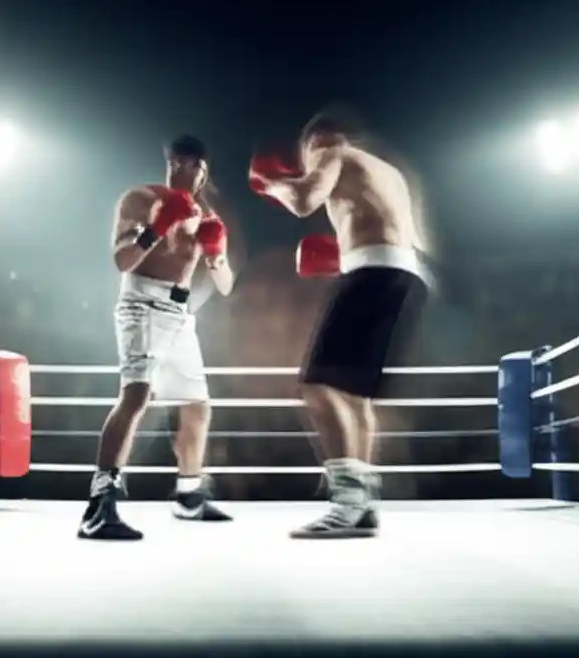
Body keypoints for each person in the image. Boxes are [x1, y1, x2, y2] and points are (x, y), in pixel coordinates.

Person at [249, 109, 432, 538]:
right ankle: (364, 504)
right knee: (356, 397)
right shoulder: (386, 172)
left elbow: (303, 201)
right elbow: (391, 233)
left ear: (316, 142)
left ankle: (345, 504)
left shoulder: (333, 153)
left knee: (318, 385)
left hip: (375, 274)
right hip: (405, 276)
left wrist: (273, 184)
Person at [79, 134, 236, 540]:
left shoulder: (205, 214)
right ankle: (100, 502)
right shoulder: (138, 198)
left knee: (197, 406)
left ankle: (189, 497)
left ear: (203, 172)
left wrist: (216, 255)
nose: (189, 172)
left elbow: (225, 286)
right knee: (136, 395)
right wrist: (157, 226)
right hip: (142, 302)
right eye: (181, 162)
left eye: (197, 166)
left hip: (180, 314)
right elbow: (122, 260)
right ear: (171, 162)